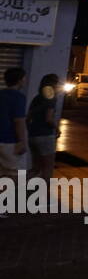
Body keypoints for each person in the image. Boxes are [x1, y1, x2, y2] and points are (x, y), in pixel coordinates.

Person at [0, 69, 30, 209]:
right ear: (19, 80)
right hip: (10, 141)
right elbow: (19, 121)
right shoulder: (18, 97)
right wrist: (22, 141)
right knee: (13, 176)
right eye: (24, 78)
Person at [26, 74, 60, 184]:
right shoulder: (51, 97)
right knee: (47, 167)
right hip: (45, 135)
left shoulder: (37, 98)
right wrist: (57, 128)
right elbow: (49, 118)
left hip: (33, 135)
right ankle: (43, 193)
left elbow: (28, 117)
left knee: (35, 167)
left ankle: (22, 187)